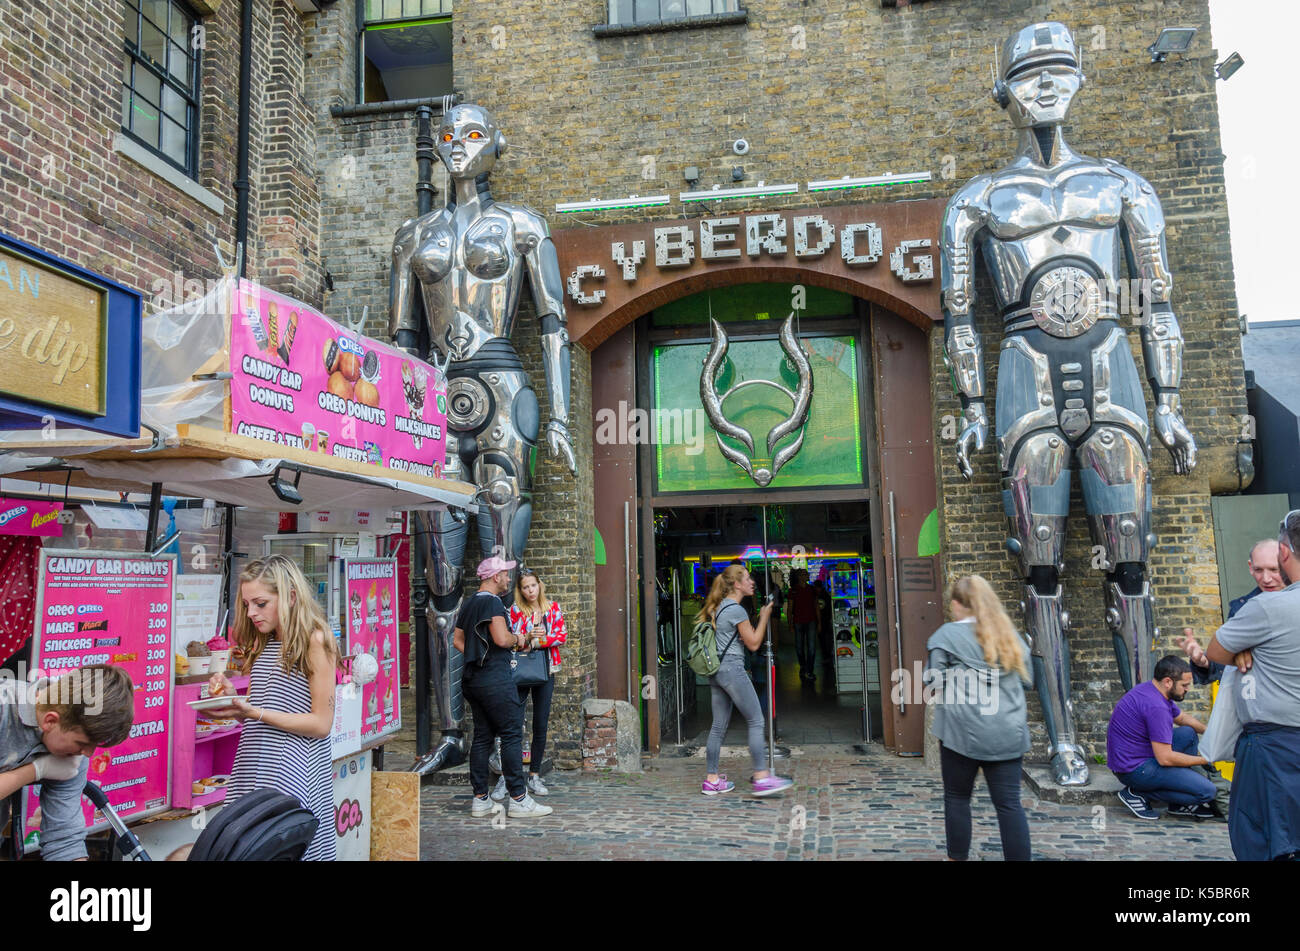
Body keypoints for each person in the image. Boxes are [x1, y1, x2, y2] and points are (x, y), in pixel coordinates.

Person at [941, 21, 1198, 786]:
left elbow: (1157, 302)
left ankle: (1138, 740)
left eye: (1060, 68)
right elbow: (960, 315)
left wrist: (1170, 400)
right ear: (1005, 90)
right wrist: (973, 406)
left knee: (1131, 561)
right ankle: (1062, 740)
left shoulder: (1124, 187)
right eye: (1031, 72)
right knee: (1041, 567)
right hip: (1025, 370)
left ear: (1080, 78)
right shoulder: (977, 201)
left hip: (1111, 360)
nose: (1047, 83)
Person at [392, 102, 576, 776]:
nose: (458, 147)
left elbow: (553, 323)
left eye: (472, 136)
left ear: (495, 144)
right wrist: (398, 420)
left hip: (502, 389)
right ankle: (448, 731)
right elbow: (403, 339)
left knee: (501, 576)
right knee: (440, 584)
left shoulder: (523, 225)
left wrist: (560, 418)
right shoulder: (412, 236)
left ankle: (506, 734)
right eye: (447, 136)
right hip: (437, 395)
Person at [209, 555, 342, 860]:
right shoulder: (266, 642)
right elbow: (263, 710)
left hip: (292, 771)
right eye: (247, 604)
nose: (251, 613)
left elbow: (321, 724)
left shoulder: (315, 640)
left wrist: (254, 712)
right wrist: (232, 702)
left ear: (291, 597)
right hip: (254, 764)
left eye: (261, 603)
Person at [1205, 510, 1300, 860]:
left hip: (1276, 745)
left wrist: (1244, 648)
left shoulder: (1267, 608)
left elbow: (1216, 650)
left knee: (1267, 843)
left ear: (1284, 553)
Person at [926, 575, 1032, 861]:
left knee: (958, 798)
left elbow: (933, 680)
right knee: (1009, 805)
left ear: (958, 604)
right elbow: (1027, 681)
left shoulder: (946, 635)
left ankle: (957, 857)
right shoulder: (1008, 634)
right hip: (1007, 730)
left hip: (961, 732)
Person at [0, 664, 134, 861]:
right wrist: (36, 770)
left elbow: (63, 841)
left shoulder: (72, 753)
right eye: (82, 743)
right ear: (50, 721)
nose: (87, 753)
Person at [456, 556, 552, 819]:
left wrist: (478, 657)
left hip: (473, 679)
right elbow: (501, 639)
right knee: (511, 734)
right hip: (496, 680)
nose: (509, 579)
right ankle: (519, 799)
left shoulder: (469, 603)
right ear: (495, 576)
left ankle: (480, 799)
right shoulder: (493, 603)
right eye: (506, 574)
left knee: (482, 737)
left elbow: (457, 640)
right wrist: (518, 638)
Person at [700, 564, 793, 798]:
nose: (752, 582)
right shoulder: (737, 610)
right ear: (737, 584)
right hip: (732, 669)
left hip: (717, 671)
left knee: (718, 726)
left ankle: (712, 780)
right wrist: (764, 617)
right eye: (748, 579)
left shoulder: (719, 607)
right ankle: (762, 778)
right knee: (756, 720)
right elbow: (753, 643)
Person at [1106, 655, 1216, 821]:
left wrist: (1210, 733)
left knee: (1188, 733)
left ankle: (1178, 804)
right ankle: (1137, 793)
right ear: (1168, 682)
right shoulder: (1156, 707)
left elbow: (1182, 718)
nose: (1188, 689)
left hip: (1138, 756)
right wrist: (1206, 759)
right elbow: (1165, 758)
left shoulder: (1152, 690)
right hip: (1134, 769)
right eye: (1184, 685)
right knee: (1207, 791)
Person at [493, 568, 567, 799]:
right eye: (525, 587)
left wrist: (538, 641)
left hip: (546, 670)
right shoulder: (515, 611)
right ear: (520, 590)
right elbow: (511, 641)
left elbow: (561, 635)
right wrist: (527, 636)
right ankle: (507, 776)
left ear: (539, 585)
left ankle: (534, 775)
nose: (530, 591)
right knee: (513, 724)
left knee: (540, 723)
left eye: (533, 585)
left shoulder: (552, 608)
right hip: (520, 671)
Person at [1180, 539, 1283, 685]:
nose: (1266, 579)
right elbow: (1223, 668)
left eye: (1274, 570)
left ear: (1287, 564)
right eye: (1259, 570)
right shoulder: (1242, 609)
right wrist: (1204, 663)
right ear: (1250, 567)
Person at [788, 569, 822, 684]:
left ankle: (809, 670)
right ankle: (803, 666)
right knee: (799, 647)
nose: (807, 575)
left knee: (812, 647)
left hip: (811, 621)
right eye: (804, 574)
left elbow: (816, 606)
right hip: (798, 621)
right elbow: (790, 608)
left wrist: (819, 622)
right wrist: (790, 624)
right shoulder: (793, 590)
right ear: (799, 577)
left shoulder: (812, 590)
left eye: (807, 574)